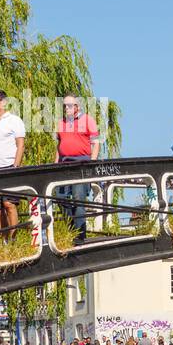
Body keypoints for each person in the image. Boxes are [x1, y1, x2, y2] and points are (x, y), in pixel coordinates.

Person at [0, 89, 26, 242]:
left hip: (9, 167)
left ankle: (13, 240)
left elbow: (20, 145)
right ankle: (4, 241)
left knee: (9, 204)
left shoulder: (14, 120)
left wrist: (15, 166)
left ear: (3, 102)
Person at [56, 95, 100, 241]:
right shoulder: (61, 123)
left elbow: (96, 143)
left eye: (69, 105)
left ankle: (80, 236)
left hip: (82, 164)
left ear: (77, 106)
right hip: (64, 165)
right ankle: (70, 232)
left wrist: (92, 163)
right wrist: (55, 165)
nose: (66, 108)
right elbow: (59, 146)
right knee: (60, 198)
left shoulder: (88, 120)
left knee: (78, 198)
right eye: (64, 105)